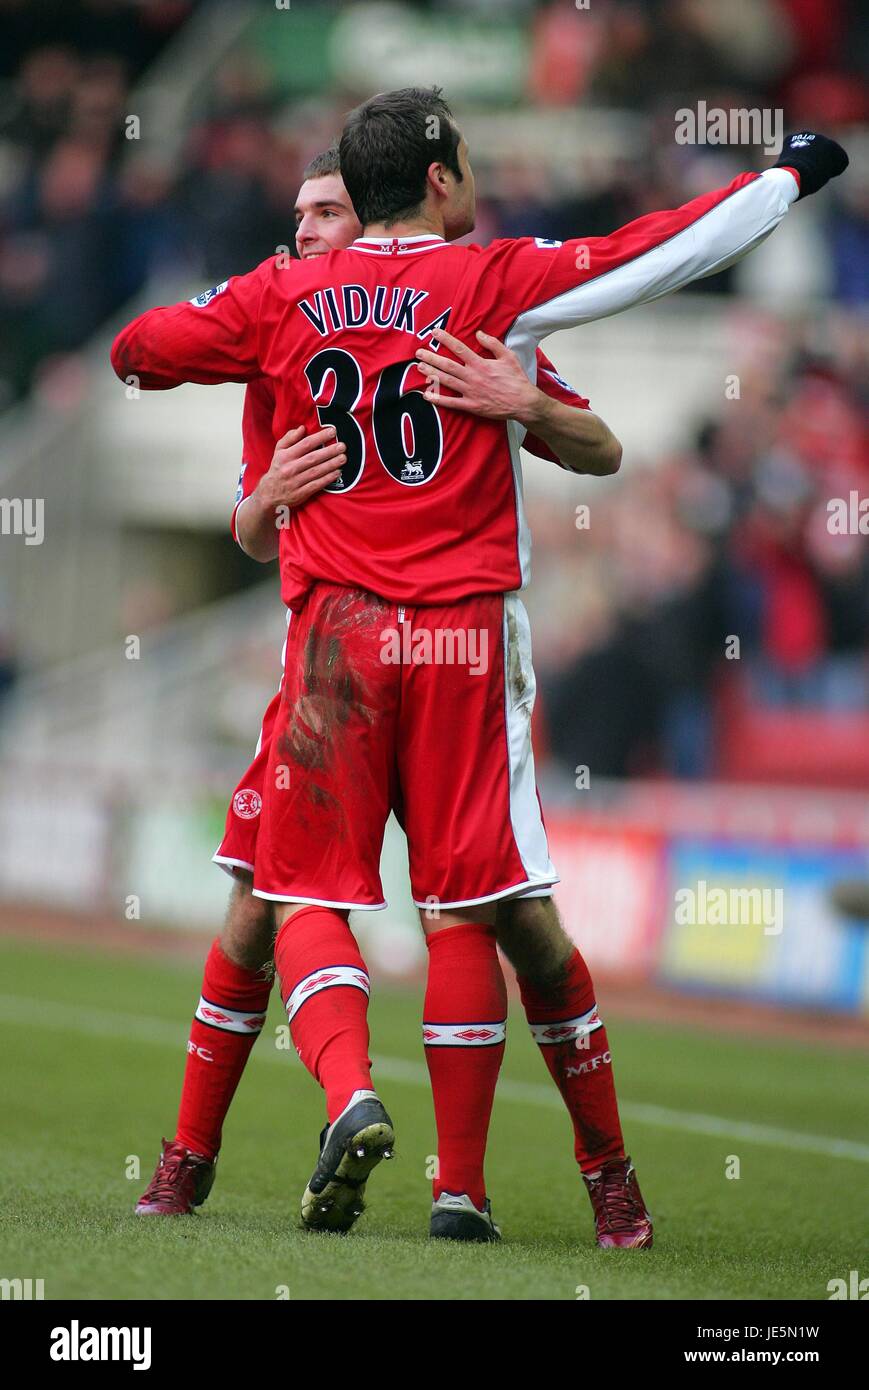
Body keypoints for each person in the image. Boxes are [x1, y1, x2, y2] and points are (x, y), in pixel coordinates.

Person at [112, 92, 847, 1244]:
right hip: (457, 638)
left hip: (339, 641)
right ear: (445, 179)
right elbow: (657, 247)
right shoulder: (490, 286)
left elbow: (138, 350)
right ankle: (511, 1180)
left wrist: (219, 319)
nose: (306, 229)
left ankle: (386, 1133)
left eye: (322, 211)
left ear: (359, 205)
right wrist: (788, 176)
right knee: (473, 907)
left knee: (330, 901)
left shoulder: (282, 307)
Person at [133, 147, 629, 1244]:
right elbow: (250, 524)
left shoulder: (464, 316)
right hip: (334, 658)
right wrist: (264, 495)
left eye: (329, 212)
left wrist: (526, 405)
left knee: (502, 920)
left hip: (444, 639)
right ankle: (189, 1160)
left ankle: (556, 1177)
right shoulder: (290, 336)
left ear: (386, 223)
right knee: (258, 906)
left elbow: (602, 446)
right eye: (300, 213)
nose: (307, 230)